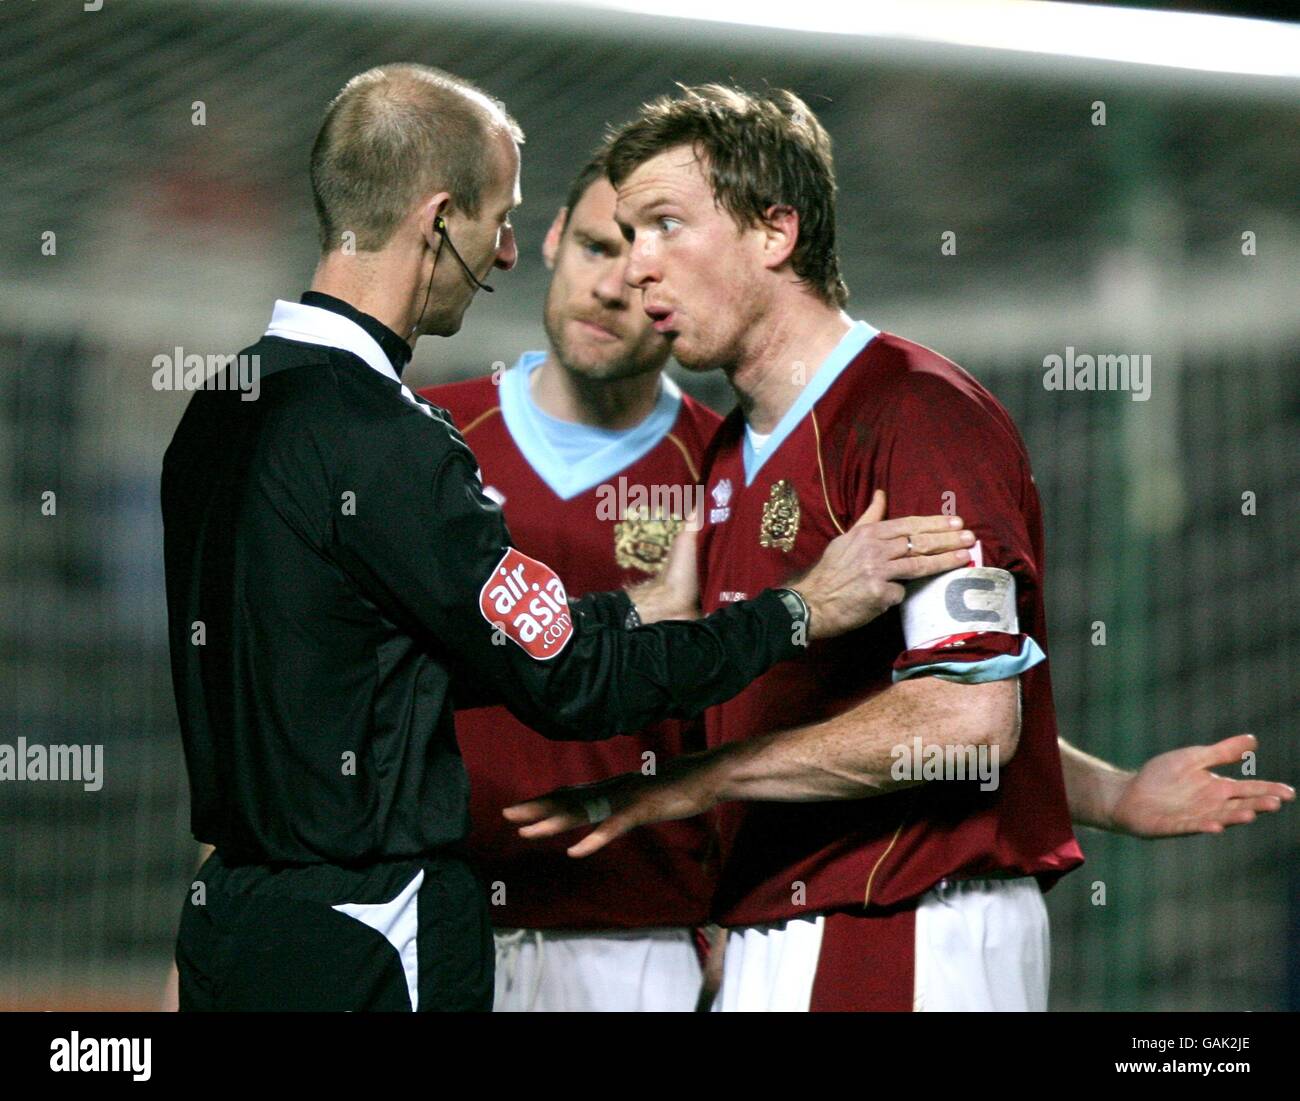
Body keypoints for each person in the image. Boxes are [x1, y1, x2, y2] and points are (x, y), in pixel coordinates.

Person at [160, 66, 971, 1012]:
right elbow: (566, 677)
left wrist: (622, 613)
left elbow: (349, 657)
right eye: (498, 218)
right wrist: (799, 610)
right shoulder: (392, 438)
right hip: (366, 933)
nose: (507, 253)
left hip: (234, 924)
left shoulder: (218, 408)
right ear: (437, 221)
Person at [505, 85, 1294, 1012]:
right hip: (792, 925)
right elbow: (925, 691)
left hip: (899, 924)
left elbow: (965, 724)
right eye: (626, 236)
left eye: (666, 226)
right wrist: (1112, 794)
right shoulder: (728, 455)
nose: (638, 271)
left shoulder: (914, 414)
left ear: (775, 230)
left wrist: (696, 783)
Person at [420, 151, 721, 1011]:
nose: (611, 288)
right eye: (596, 247)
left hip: (634, 941)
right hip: (427, 918)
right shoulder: (424, 434)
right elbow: (317, 685)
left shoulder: (724, 471)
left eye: (644, 270)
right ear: (550, 237)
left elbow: (764, 705)